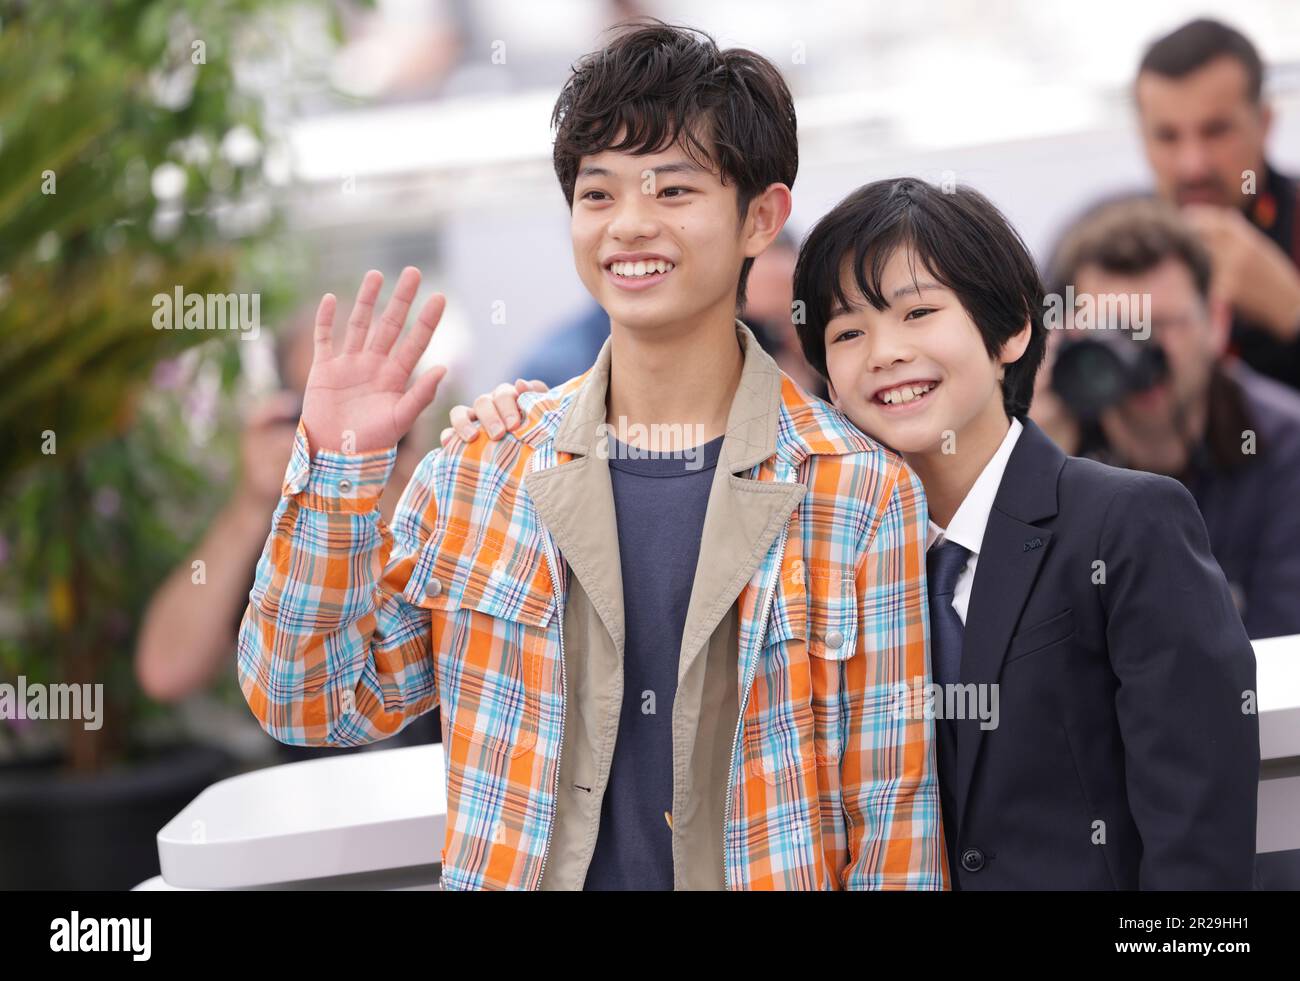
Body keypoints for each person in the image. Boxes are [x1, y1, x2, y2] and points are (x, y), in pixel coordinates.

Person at [237, 23, 946, 891]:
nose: (631, 226)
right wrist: (340, 472)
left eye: (675, 189)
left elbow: (894, 824)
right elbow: (309, 698)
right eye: (599, 194)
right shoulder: (481, 471)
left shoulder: (858, 492)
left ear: (761, 215)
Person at [458, 177, 1261, 889]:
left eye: (919, 312)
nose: (887, 353)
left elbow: (1198, 827)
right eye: (848, 333)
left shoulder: (1125, 524)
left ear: (1011, 328)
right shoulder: (828, 541)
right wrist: (531, 422)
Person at [135, 309, 437, 760]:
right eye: (326, 402)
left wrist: (406, 492)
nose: (352, 427)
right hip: (312, 800)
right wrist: (253, 505)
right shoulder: (277, 530)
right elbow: (165, 672)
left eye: (377, 394)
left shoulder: (445, 501)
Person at [1038, 196, 1300, 641]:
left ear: (1216, 322)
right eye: (1117, 329)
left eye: (1162, 325)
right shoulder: (1052, 449)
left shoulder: (1284, 449)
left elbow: (1280, 654)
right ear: (1071, 337)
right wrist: (1036, 475)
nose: (1141, 351)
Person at [1136, 17, 1300, 391]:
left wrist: (1293, 313)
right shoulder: (1102, 247)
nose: (1193, 165)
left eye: (1217, 131)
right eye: (1167, 136)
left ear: (1265, 123)